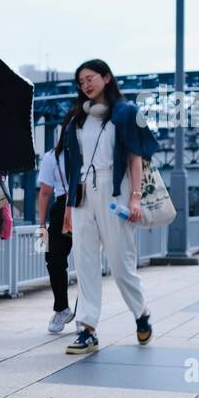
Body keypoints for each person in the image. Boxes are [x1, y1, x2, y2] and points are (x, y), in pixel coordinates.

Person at [60, 58, 157, 355]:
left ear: (106, 78)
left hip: (115, 191)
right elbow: (72, 164)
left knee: (120, 263)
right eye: (81, 82)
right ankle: (87, 329)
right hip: (82, 194)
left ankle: (141, 313)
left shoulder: (126, 113)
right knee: (85, 262)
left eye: (90, 78)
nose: (85, 85)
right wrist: (68, 206)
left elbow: (135, 157)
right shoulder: (77, 118)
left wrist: (136, 196)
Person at [37, 134, 74, 333]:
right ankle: (82, 313)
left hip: (62, 208)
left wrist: (42, 227)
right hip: (85, 205)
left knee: (54, 259)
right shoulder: (89, 152)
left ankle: (62, 308)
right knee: (88, 260)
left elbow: (44, 192)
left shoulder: (52, 156)